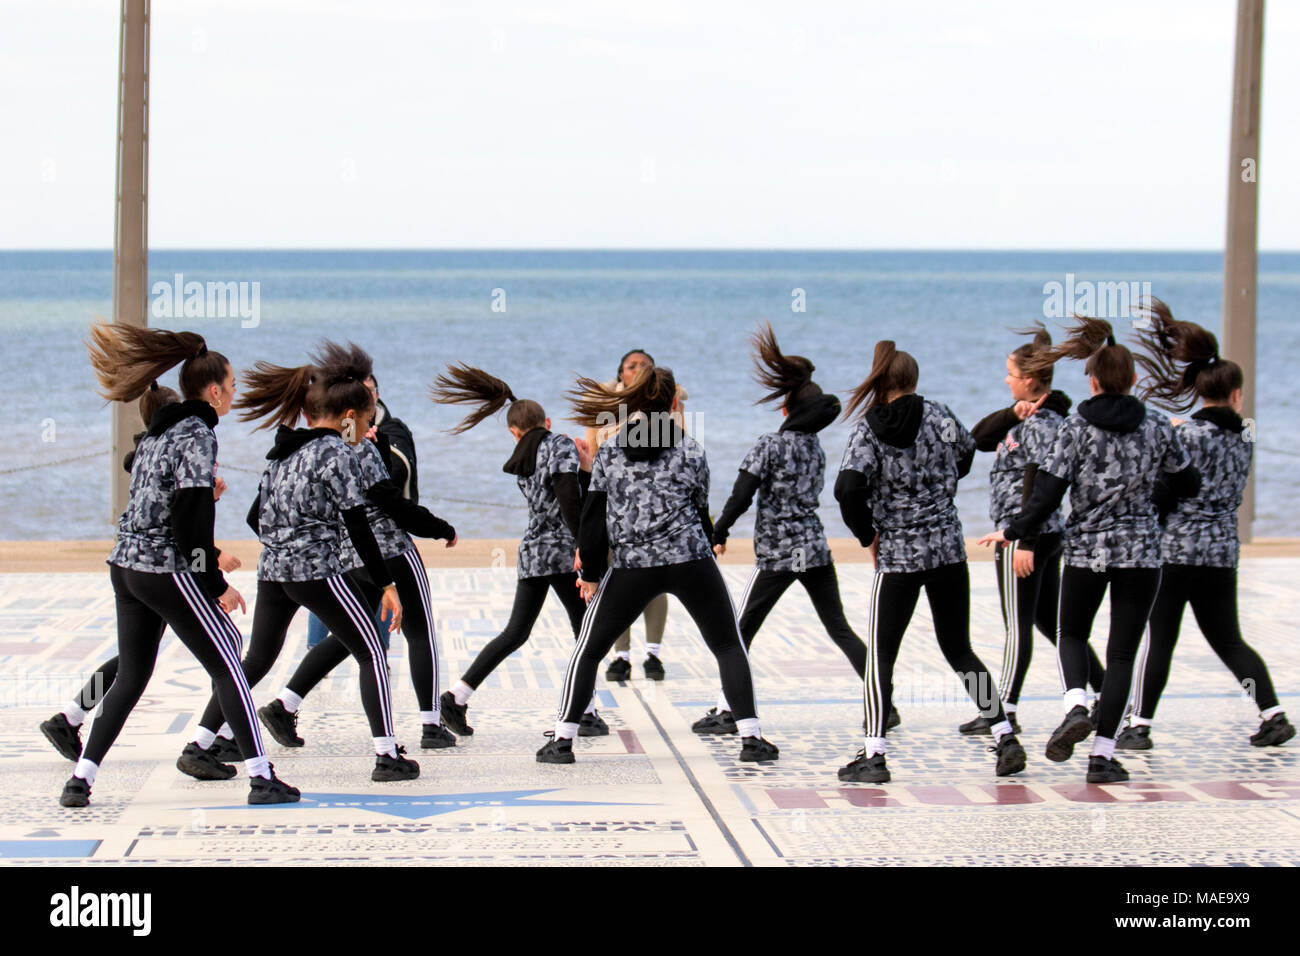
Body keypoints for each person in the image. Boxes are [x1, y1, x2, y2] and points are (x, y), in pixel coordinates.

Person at [59, 323, 298, 807]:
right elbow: (190, 518)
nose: (233, 395)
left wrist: (201, 529)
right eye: (231, 387)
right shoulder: (197, 433)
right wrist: (213, 581)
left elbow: (164, 502)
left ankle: (80, 780)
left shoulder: (157, 433)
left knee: (131, 673)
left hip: (125, 565)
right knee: (230, 655)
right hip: (159, 567)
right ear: (213, 391)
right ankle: (259, 775)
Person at [182, 342, 420, 783]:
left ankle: (199, 745)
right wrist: (385, 583)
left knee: (255, 659)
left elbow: (256, 515)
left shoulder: (283, 452)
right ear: (348, 418)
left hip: (272, 572)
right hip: (312, 572)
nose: (368, 430)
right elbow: (358, 524)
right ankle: (387, 756)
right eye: (366, 421)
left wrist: (284, 545)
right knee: (371, 650)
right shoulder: (337, 453)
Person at [980, 314, 1201, 783]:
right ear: (1135, 380)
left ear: (1094, 381)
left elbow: (1047, 492)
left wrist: (1016, 531)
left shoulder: (1076, 426)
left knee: (1072, 633)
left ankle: (1075, 704)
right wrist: (1152, 508)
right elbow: (1188, 482)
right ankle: (1102, 756)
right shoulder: (1158, 426)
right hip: (1141, 554)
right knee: (1122, 654)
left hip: (1087, 551)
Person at [539, 365, 778, 764]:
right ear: (672, 403)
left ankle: (562, 741)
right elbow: (701, 512)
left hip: (633, 566)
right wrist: (712, 540)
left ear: (630, 403)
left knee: (589, 650)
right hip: (692, 561)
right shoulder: (691, 449)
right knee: (727, 644)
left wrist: (590, 574)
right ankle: (752, 739)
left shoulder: (611, 452)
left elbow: (593, 520)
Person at [834, 340, 1026, 784]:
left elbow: (847, 490)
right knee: (959, 649)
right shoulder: (941, 416)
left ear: (881, 383)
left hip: (898, 556)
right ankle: (1003, 732)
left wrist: (868, 534)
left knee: (881, 656)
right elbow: (966, 455)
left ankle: (874, 753)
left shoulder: (868, 430)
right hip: (946, 550)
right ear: (915, 381)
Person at [1116, 301, 1294, 750]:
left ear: (1197, 390)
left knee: (1160, 640)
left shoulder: (1184, 435)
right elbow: (1226, 433)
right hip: (1220, 553)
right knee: (1229, 640)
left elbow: (1163, 492)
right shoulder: (1245, 438)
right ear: (1236, 395)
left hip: (1175, 551)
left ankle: (1140, 726)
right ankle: (1272, 713)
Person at [695, 324, 880, 734]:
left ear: (786, 409)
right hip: (814, 548)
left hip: (779, 554)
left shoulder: (769, 445)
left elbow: (742, 495)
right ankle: (883, 701)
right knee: (839, 628)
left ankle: (729, 710)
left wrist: (718, 532)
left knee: (738, 634)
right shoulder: (815, 448)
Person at [259, 418, 459, 751]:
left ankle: (284, 704)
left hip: (350, 554)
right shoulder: (358, 448)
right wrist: (441, 528)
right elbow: (391, 501)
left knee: (347, 636)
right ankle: (431, 725)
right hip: (391, 549)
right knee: (419, 630)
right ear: (350, 414)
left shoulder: (310, 451)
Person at [430, 365, 600, 736]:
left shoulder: (522, 460)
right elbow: (571, 501)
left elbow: (558, 498)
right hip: (562, 553)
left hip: (533, 552)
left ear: (514, 432)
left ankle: (457, 696)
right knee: (585, 629)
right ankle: (583, 712)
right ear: (548, 421)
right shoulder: (559, 446)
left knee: (516, 632)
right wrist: (585, 545)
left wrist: (581, 473)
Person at [962, 323, 1097, 735]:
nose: (1006, 380)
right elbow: (976, 440)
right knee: (1050, 622)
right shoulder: (1034, 418)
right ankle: (1107, 689)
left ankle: (1002, 713)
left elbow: (1039, 484)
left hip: (1024, 538)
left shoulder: (1041, 427)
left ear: (1031, 380)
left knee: (1017, 627)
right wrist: (1011, 414)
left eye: (1011, 375)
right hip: (1045, 535)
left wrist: (1023, 540)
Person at [584, 349, 672, 682]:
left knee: (657, 582)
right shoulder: (604, 404)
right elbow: (595, 453)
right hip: (616, 508)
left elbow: (677, 447)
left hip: (656, 510)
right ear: (620, 373)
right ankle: (621, 656)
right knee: (615, 580)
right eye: (631, 365)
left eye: (644, 365)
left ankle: (653, 654)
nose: (638, 369)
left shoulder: (667, 402)